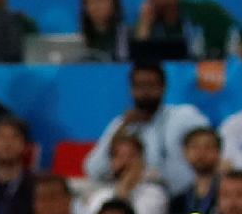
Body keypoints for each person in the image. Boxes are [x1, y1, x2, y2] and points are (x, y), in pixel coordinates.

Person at [83, 60, 209, 193]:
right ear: (131, 90)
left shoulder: (184, 116)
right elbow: (93, 170)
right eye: (139, 86)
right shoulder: (122, 123)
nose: (145, 92)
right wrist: (122, 128)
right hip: (136, 198)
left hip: (184, 199)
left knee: (196, 213)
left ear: (163, 87)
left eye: (151, 85)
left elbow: (211, 150)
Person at [81, 132, 167, 214]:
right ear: (111, 162)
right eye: (120, 156)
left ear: (142, 161)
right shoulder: (101, 195)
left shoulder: (155, 193)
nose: (125, 161)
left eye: (132, 156)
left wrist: (124, 190)